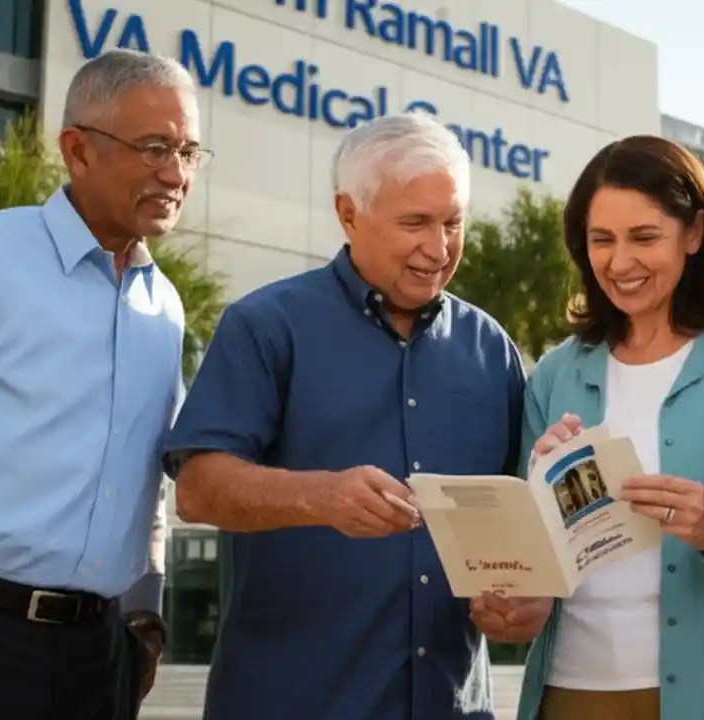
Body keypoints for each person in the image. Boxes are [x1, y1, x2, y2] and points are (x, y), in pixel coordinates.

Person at [162, 112, 526, 720]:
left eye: (453, 222)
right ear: (348, 213)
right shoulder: (266, 326)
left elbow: (522, 516)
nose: (438, 249)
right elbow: (198, 490)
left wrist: (524, 597)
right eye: (415, 223)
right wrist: (321, 497)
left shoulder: (492, 350)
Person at [470, 135, 704, 720]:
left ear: (694, 233)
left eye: (644, 237)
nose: (620, 261)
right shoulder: (556, 372)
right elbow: (530, 556)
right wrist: (516, 601)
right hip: (572, 689)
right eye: (601, 239)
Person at [0, 48, 200, 718]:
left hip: (98, 659)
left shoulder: (162, 306)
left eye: (190, 151)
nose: (176, 173)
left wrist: (145, 625)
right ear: (77, 150)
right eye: (155, 147)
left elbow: (151, 484)